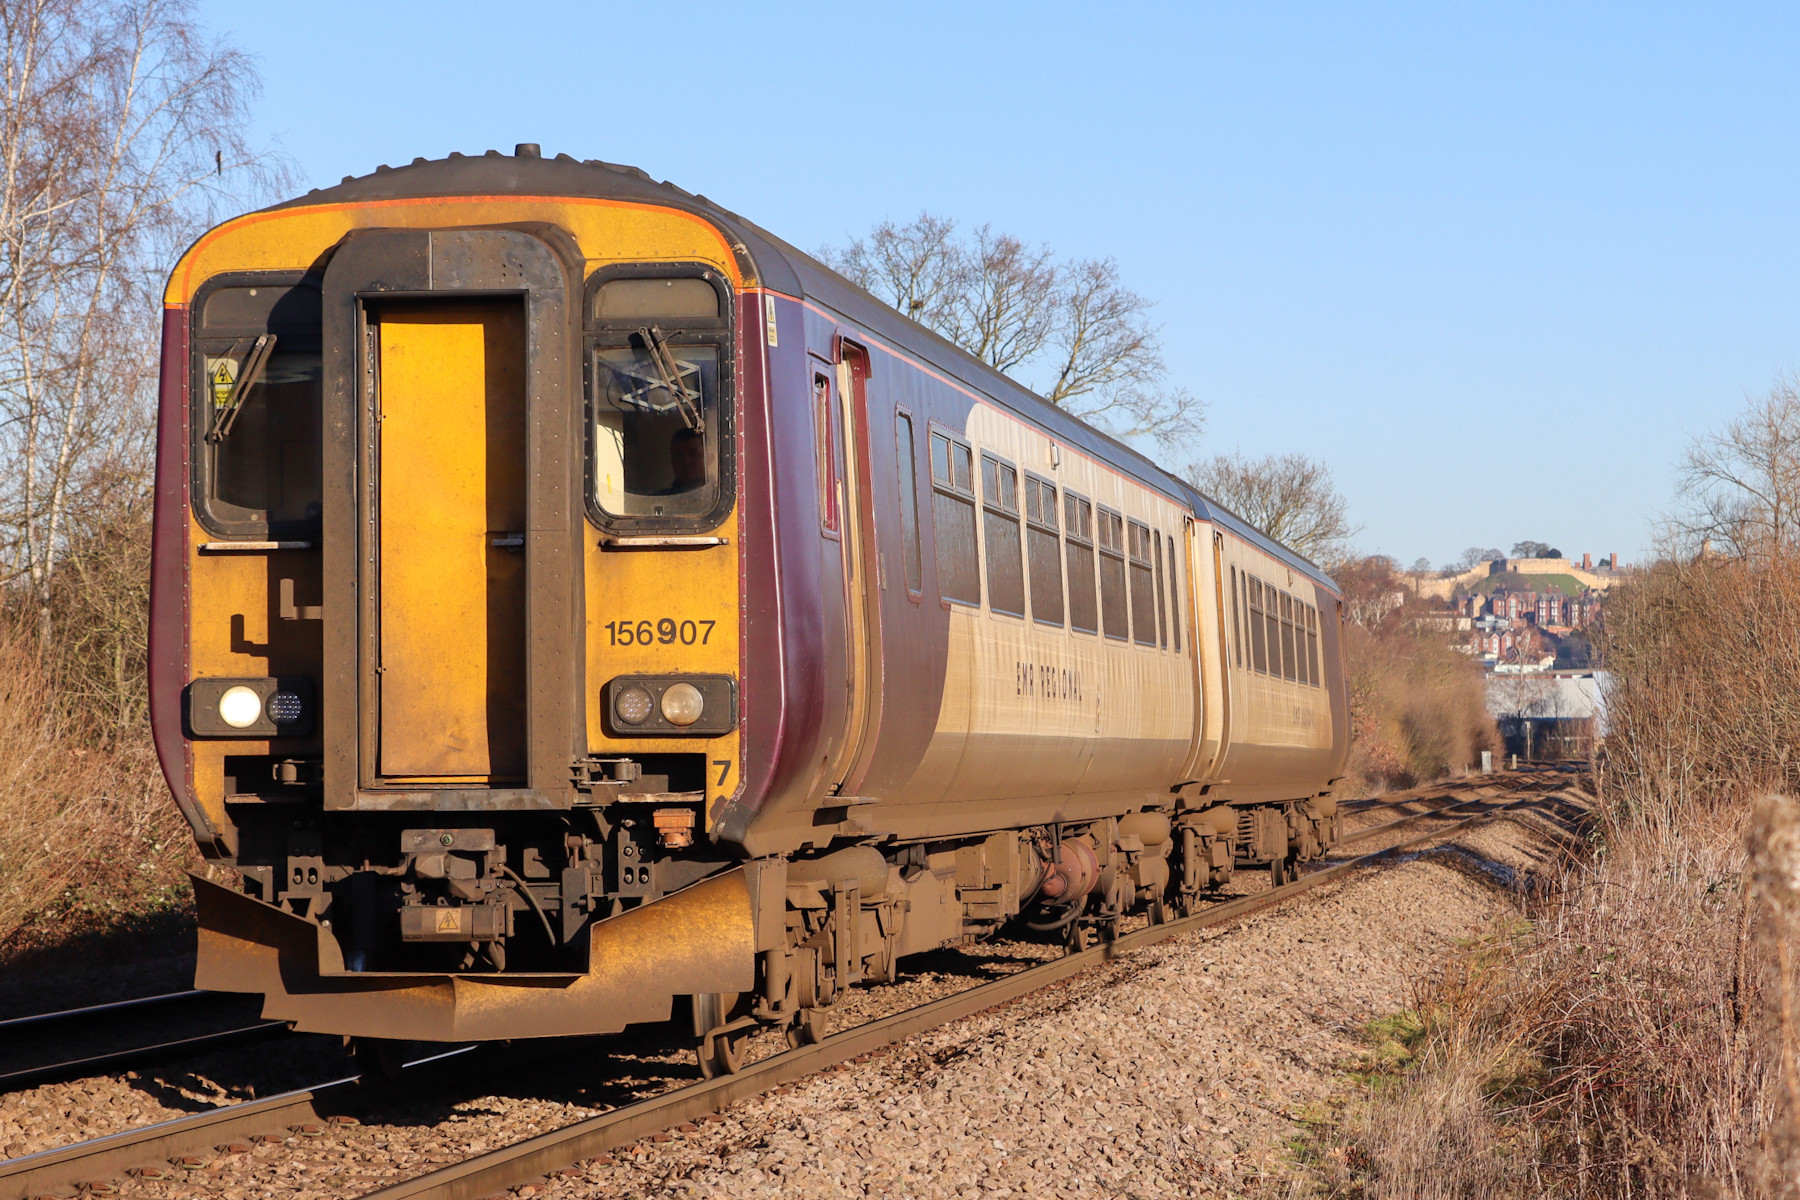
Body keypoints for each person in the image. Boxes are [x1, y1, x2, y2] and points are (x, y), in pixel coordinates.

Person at [653, 427, 707, 494]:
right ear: (673, 463)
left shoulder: (716, 494)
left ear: (707, 458)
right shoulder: (661, 499)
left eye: (693, 454)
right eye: (680, 456)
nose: (686, 461)